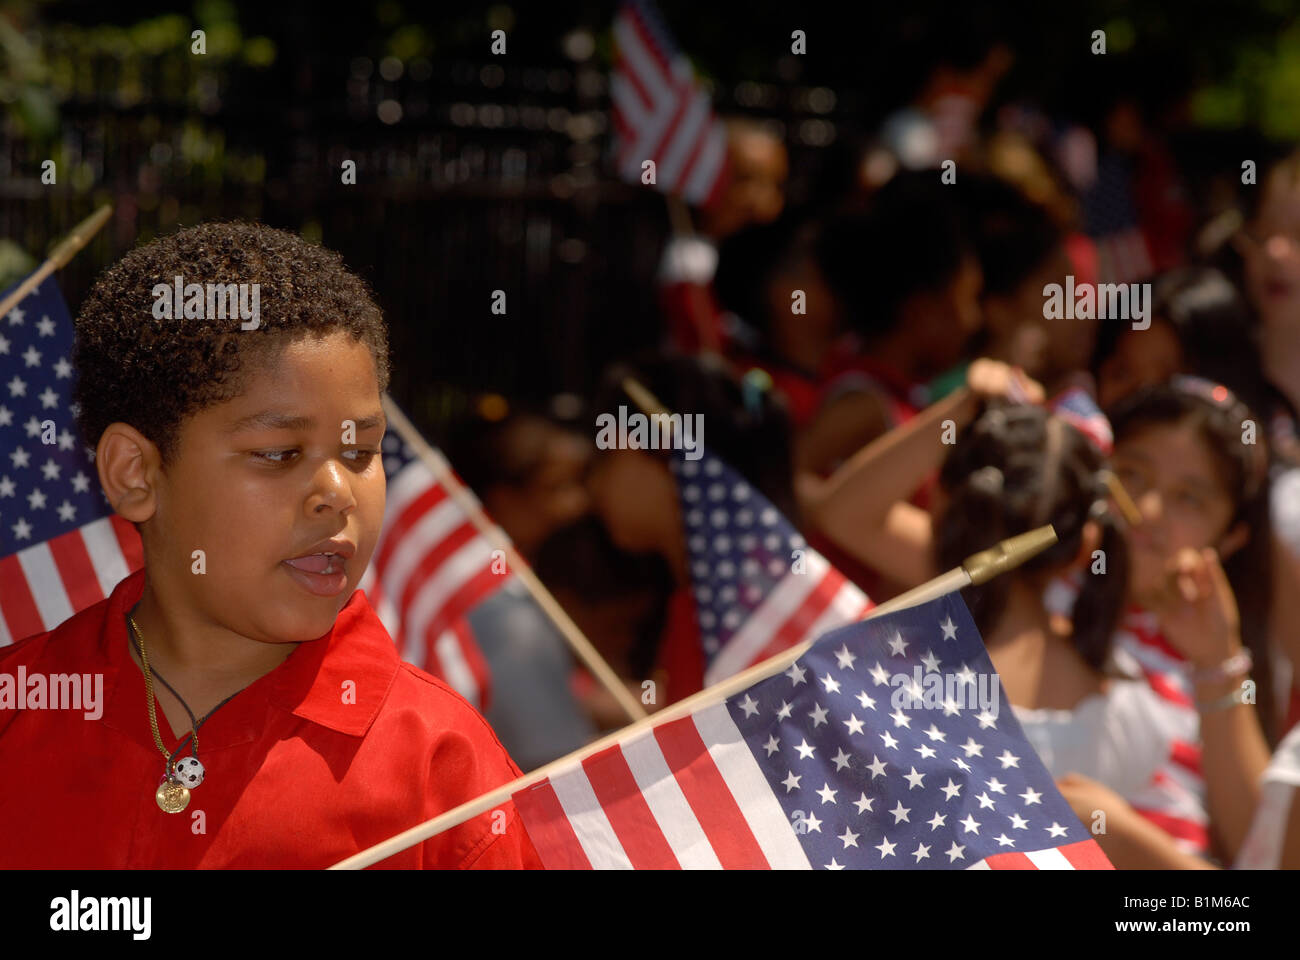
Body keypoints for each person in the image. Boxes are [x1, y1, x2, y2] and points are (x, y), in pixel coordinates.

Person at [0, 222, 541, 868]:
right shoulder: (22, 706)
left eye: (361, 452)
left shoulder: (442, 769)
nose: (338, 492)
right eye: (279, 453)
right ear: (134, 473)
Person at [804, 359, 1213, 865]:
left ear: (954, 503)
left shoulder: (896, 674)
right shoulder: (1131, 715)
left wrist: (960, 409)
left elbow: (841, 510)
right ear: (1088, 541)